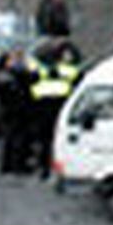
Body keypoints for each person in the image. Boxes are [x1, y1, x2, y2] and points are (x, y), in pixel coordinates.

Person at [25, 38, 81, 178]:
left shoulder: (38, 69)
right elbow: (78, 80)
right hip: (59, 105)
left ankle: (44, 168)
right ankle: (55, 166)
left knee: (44, 139)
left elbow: (28, 82)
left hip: (41, 106)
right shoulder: (67, 70)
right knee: (57, 138)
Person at [0, 50, 34, 175]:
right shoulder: (6, 77)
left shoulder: (3, 75)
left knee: (14, 138)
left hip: (13, 111)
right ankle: (16, 165)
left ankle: (11, 164)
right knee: (15, 138)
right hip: (13, 111)